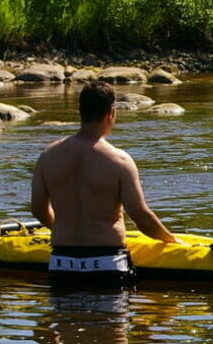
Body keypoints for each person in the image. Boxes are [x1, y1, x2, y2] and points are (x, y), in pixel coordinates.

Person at [30, 81, 177, 289]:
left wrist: (64, 227)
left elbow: (37, 209)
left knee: (64, 321)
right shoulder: (119, 161)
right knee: (110, 322)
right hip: (107, 262)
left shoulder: (47, 157)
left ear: (80, 111)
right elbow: (141, 216)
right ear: (111, 113)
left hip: (62, 262)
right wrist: (171, 240)